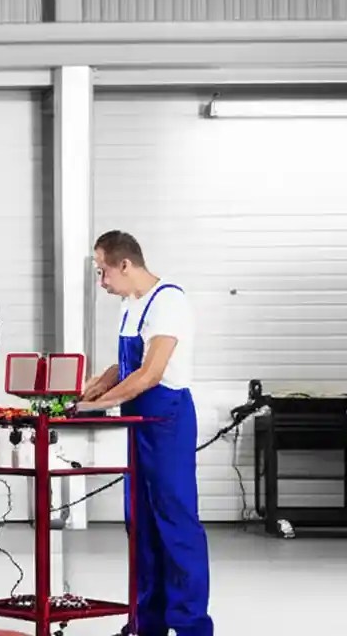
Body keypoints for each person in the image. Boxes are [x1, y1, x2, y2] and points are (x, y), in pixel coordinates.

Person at [78, 230, 214, 636]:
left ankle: (191, 625)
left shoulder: (168, 301)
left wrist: (94, 407)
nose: (101, 281)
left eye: (103, 271)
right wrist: (97, 383)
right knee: (140, 524)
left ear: (125, 264)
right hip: (137, 423)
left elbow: (151, 373)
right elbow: (128, 366)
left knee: (176, 522)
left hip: (167, 420)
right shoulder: (131, 305)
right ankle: (146, 623)